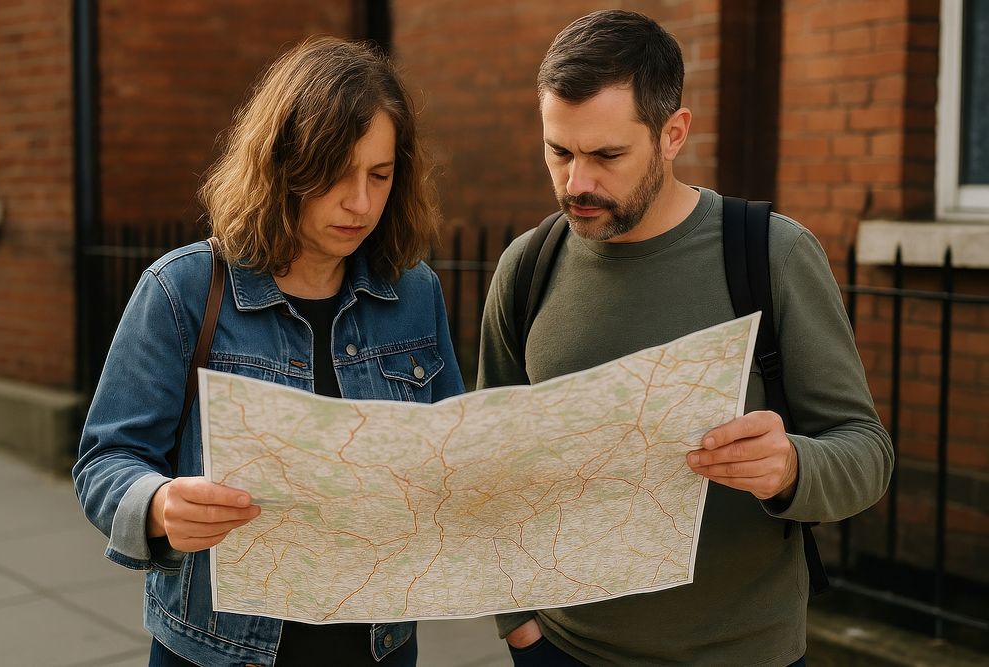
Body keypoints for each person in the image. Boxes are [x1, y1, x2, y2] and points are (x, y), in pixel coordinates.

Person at [477, 10, 893, 666]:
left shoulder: (771, 254)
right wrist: (516, 620)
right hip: (559, 648)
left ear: (674, 134)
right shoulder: (525, 268)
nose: (577, 183)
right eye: (560, 151)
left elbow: (866, 453)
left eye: (607, 155)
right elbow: (492, 462)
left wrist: (789, 467)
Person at [74, 36, 464, 666]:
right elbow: (105, 459)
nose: (360, 203)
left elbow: (454, 452)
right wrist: (159, 505)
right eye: (335, 175)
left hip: (379, 645)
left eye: (380, 175)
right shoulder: (182, 291)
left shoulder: (413, 291)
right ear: (282, 166)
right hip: (217, 649)